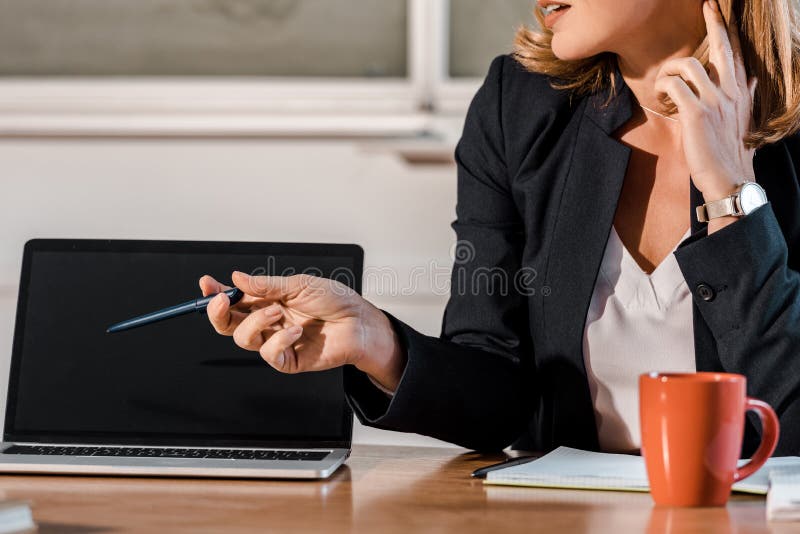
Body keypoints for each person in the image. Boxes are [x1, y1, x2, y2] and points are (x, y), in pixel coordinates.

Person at [199, 0, 800, 455]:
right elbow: (500, 397)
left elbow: (790, 423)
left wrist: (731, 195)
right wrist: (376, 342)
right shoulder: (520, 104)